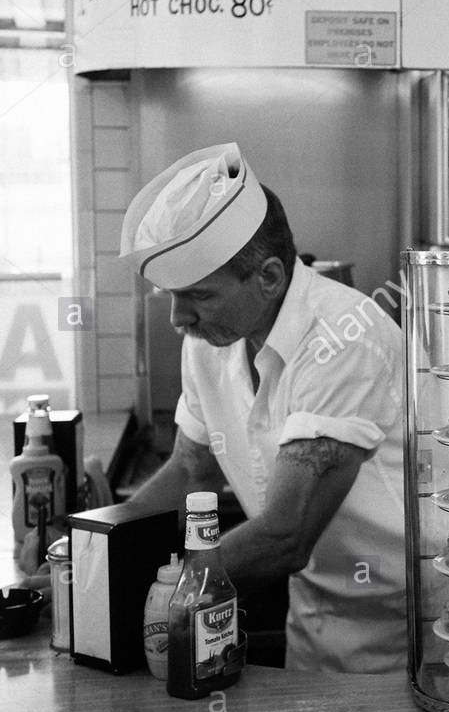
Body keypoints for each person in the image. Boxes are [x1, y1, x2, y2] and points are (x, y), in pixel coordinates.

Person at [119, 143, 406, 674]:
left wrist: (151, 595)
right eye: (171, 297)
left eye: (199, 296)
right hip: (314, 625)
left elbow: (285, 536)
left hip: (405, 631)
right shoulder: (209, 340)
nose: (179, 319)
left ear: (269, 276)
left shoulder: (345, 339)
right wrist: (95, 548)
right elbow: (190, 469)